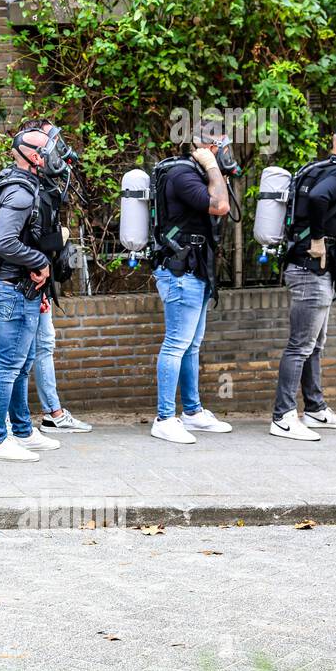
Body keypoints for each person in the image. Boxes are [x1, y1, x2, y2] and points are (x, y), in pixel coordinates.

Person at [269, 121, 336, 441]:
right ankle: (283, 417)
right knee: (300, 346)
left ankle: (314, 408)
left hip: (311, 266)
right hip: (310, 266)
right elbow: (317, 199)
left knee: (314, 345)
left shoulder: (320, 167)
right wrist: (316, 239)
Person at [0, 128, 69, 461]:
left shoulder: (26, 184)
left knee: (21, 364)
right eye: (47, 149)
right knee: (7, 365)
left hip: (26, 288)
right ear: (33, 156)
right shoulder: (19, 192)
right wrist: (39, 260)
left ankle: (21, 430)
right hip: (14, 288)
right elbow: (2, 242)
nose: (54, 155)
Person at [149, 119, 235, 444]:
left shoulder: (197, 174)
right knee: (175, 344)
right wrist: (213, 167)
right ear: (208, 147)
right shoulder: (183, 174)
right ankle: (164, 418)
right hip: (179, 273)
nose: (227, 152)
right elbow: (221, 206)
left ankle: (193, 412)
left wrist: (215, 170)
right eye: (222, 146)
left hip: (196, 271)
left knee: (191, 346)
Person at [15, 119, 91, 435]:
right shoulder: (22, 186)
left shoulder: (45, 184)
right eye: (48, 142)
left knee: (40, 346)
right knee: (11, 354)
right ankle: (8, 421)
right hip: (22, 283)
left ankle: (50, 412)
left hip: (38, 281)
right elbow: (11, 240)